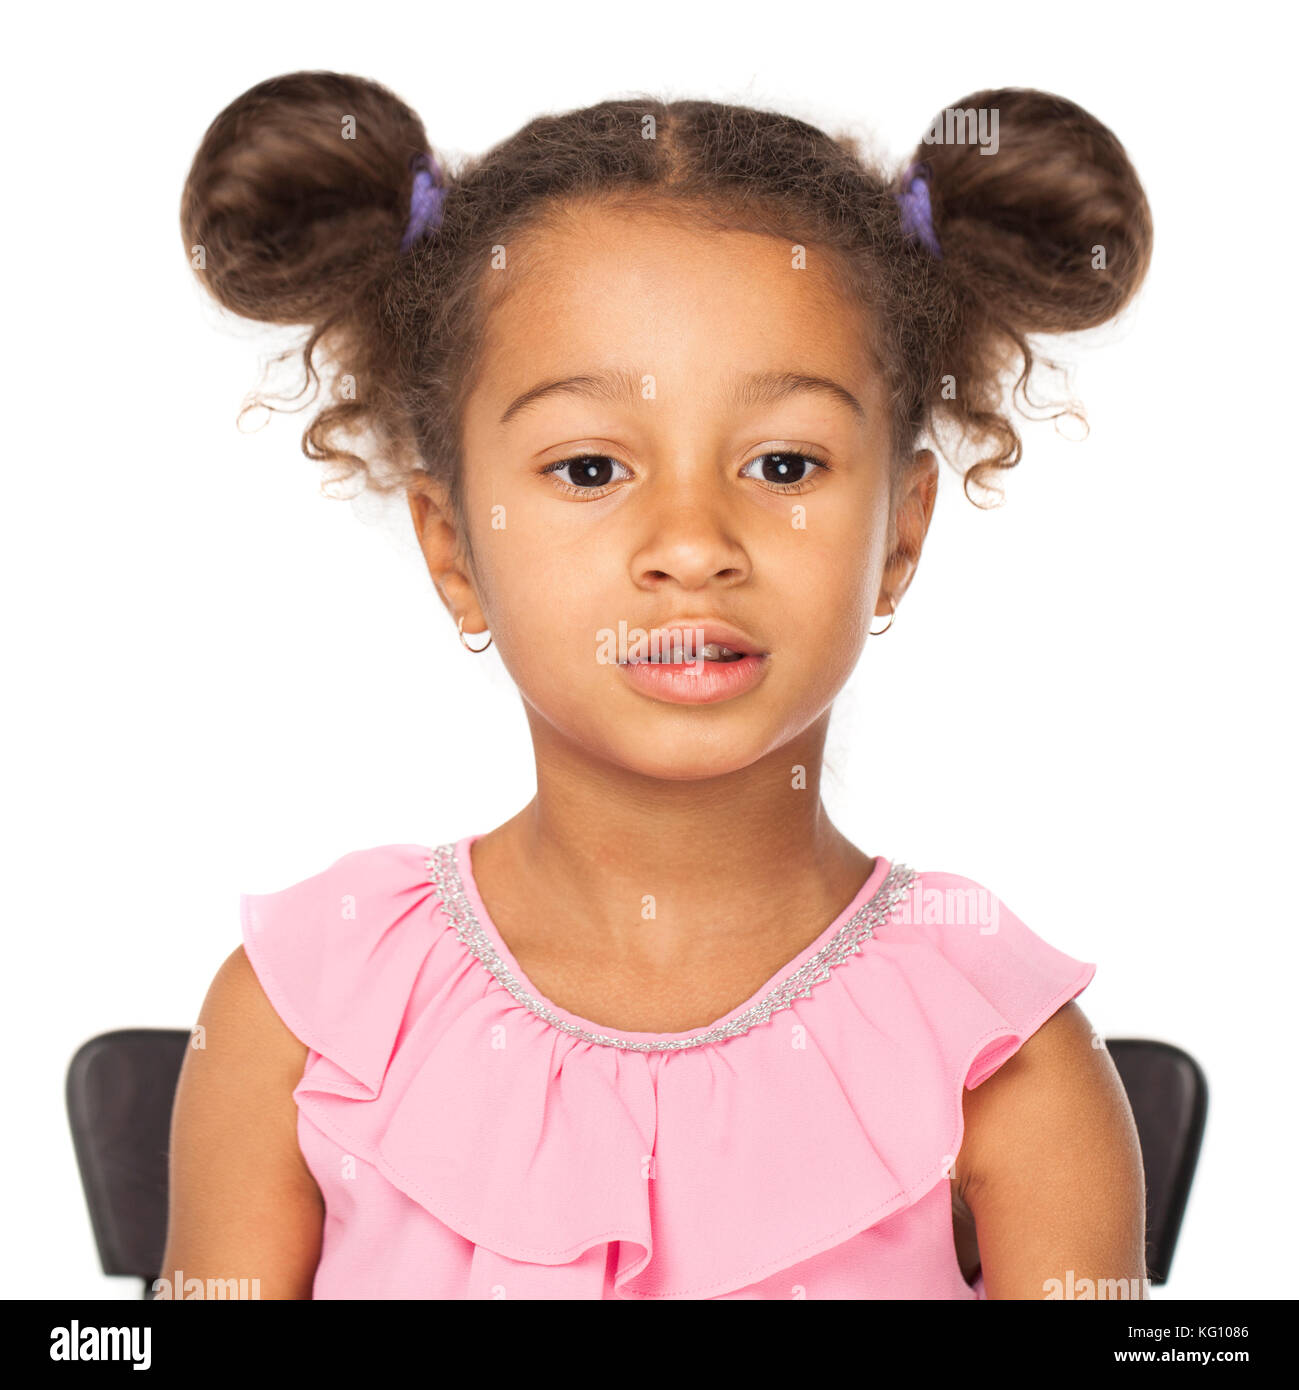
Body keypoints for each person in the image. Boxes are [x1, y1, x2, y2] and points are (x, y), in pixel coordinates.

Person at [161, 71, 1151, 1300]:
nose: (691, 541)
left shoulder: (1001, 1054)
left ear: (898, 537)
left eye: (784, 461)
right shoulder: (308, 1011)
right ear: (451, 547)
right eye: (588, 469)